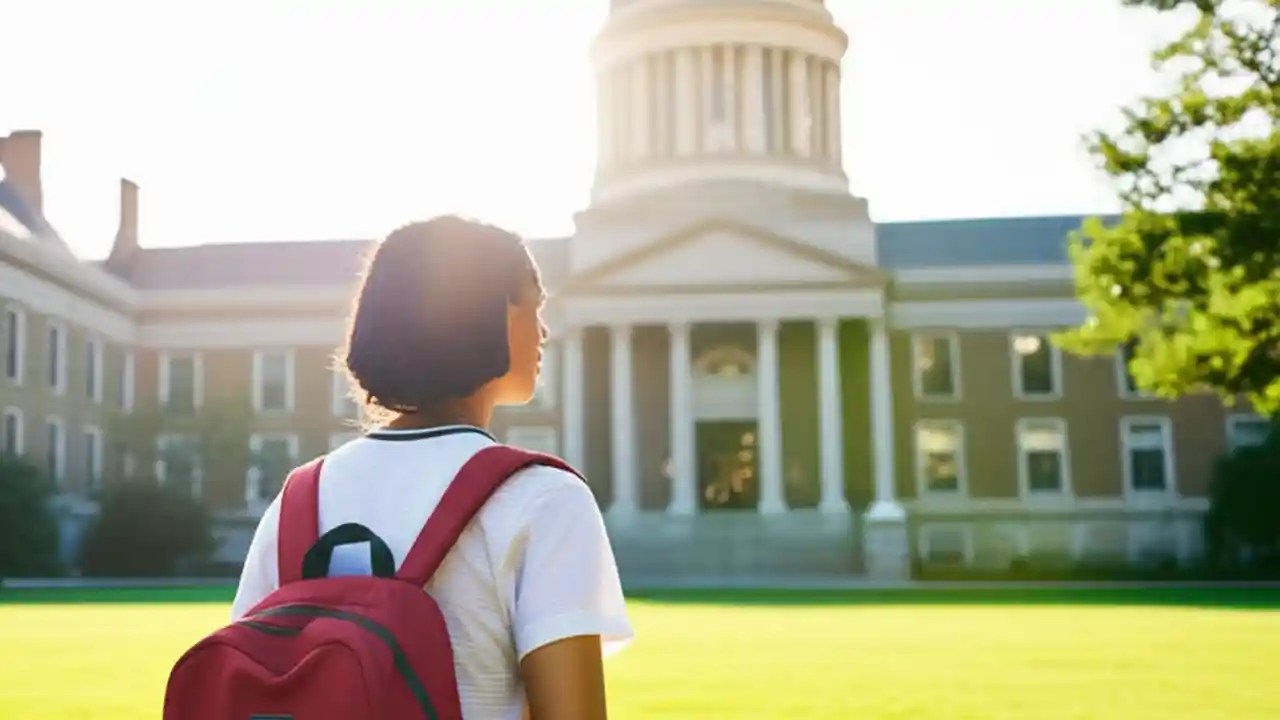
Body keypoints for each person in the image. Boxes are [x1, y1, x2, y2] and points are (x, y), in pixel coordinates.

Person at [230, 215, 633, 719]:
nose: (545, 328)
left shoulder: (299, 500)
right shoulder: (543, 497)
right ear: (485, 314)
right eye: (534, 302)